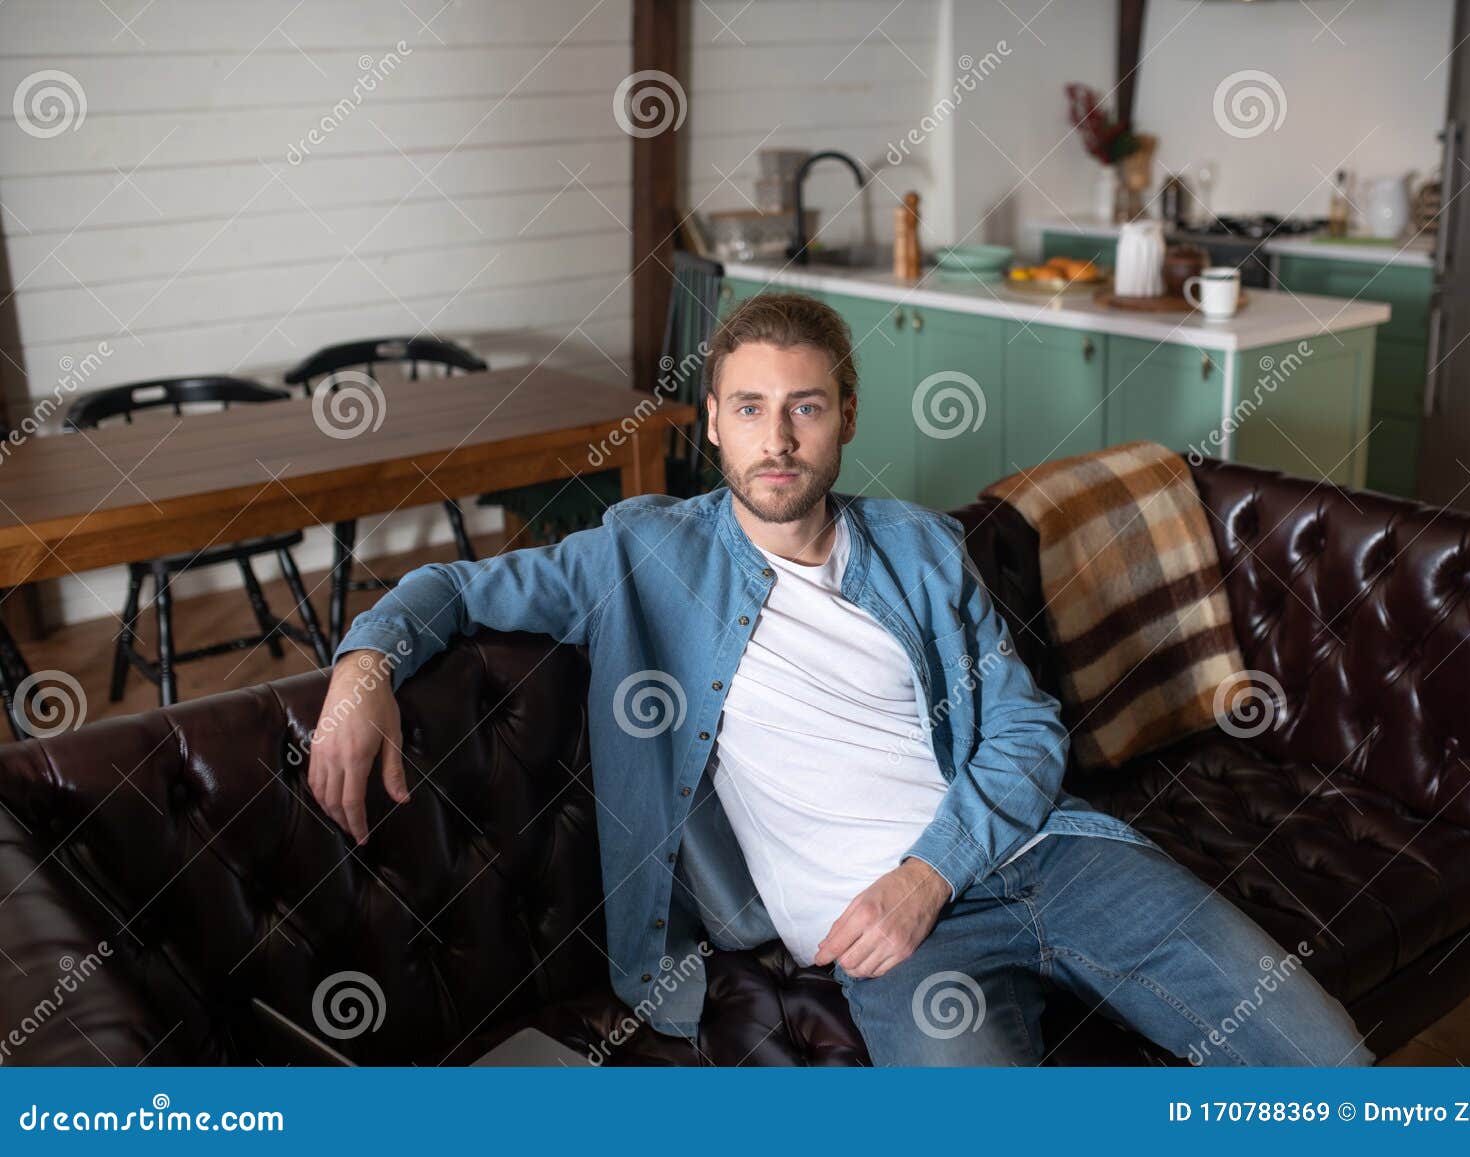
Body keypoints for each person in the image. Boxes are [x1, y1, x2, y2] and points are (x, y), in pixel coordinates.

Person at [307, 292, 1376, 1067]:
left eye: (806, 407)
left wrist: (930, 871)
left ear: (848, 415)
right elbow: (450, 587)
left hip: (1048, 856)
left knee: (1326, 1062)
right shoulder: (642, 553)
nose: (777, 439)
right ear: (711, 421)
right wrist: (363, 668)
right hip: (892, 941)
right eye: (749, 407)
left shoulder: (919, 547)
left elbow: (1027, 732)